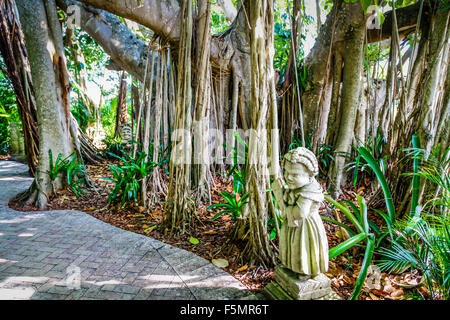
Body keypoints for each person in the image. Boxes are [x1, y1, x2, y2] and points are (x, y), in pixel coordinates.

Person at [272, 147, 328, 277]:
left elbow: (300, 213)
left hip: (305, 227)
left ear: (310, 175)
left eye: (295, 174)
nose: (289, 177)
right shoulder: (296, 186)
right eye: (287, 172)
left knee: (303, 248)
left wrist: (280, 200)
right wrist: (282, 192)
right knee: (293, 247)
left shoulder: (309, 192)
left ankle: (305, 270)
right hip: (294, 225)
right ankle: (291, 265)